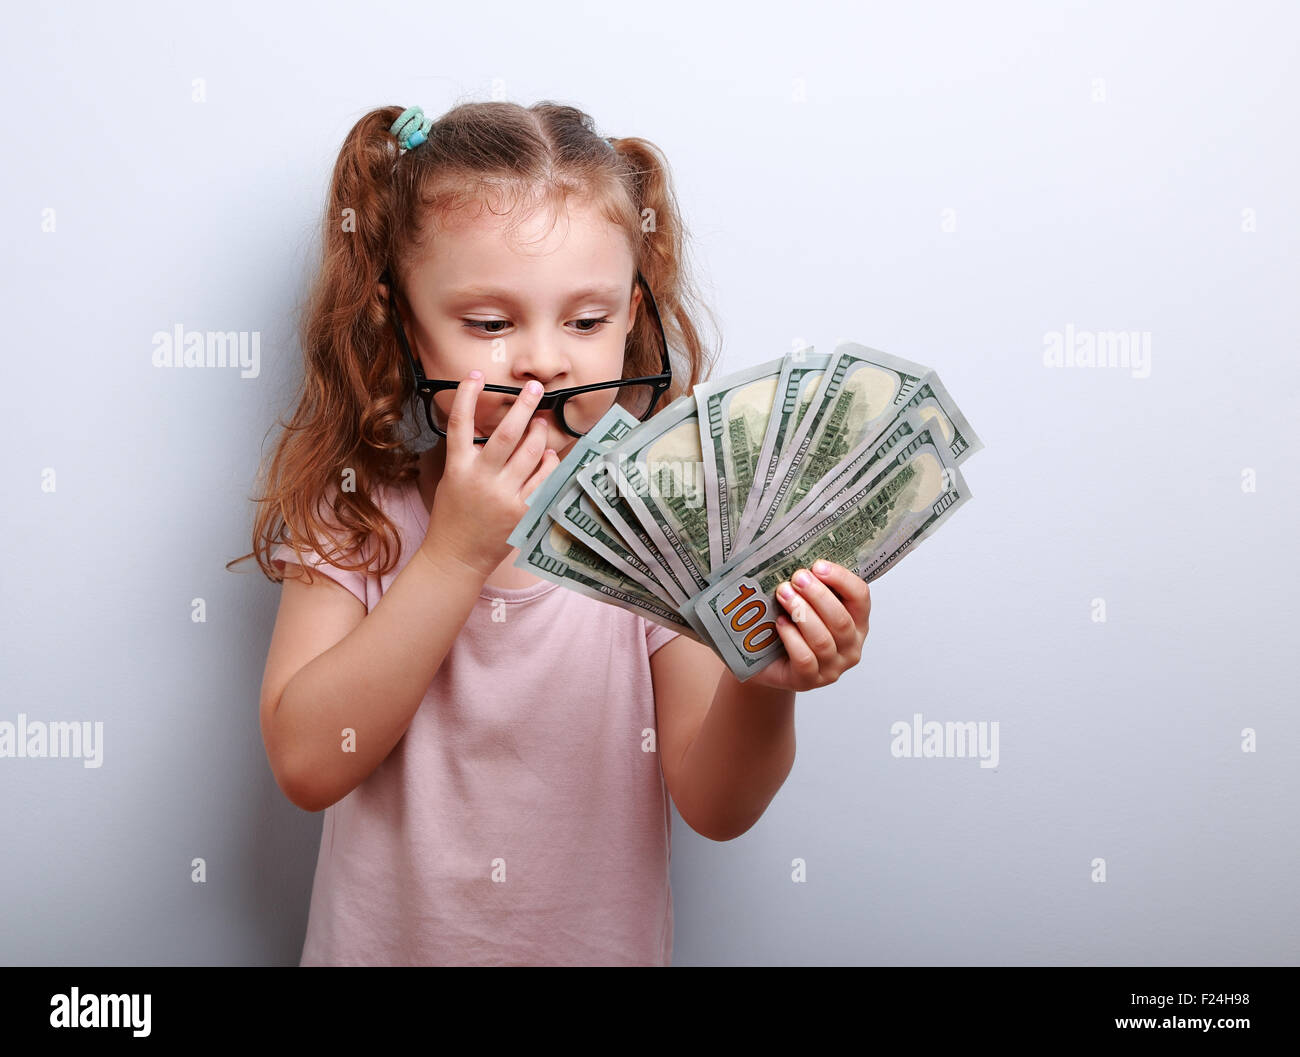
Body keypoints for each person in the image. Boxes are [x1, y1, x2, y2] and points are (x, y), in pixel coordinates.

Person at [229, 100, 871, 966]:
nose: (545, 359)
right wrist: (455, 553)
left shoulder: (665, 532)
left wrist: (767, 684)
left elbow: (715, 807)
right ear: (401, 321)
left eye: (587, 320)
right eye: (491, 325)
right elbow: (308, 765)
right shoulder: (360, 516)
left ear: (633, 315)